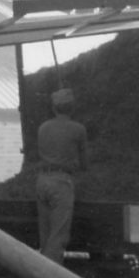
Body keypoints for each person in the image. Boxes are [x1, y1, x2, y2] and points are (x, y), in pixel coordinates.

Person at [35, 87, 88, 264]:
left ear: (53, 108)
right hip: (61, 183)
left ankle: (41, 273)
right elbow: (84, 163)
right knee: (58, 237)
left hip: (42, 181)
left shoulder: (43, 128)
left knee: (45, 236)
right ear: (72, 107)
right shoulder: (78, 129)